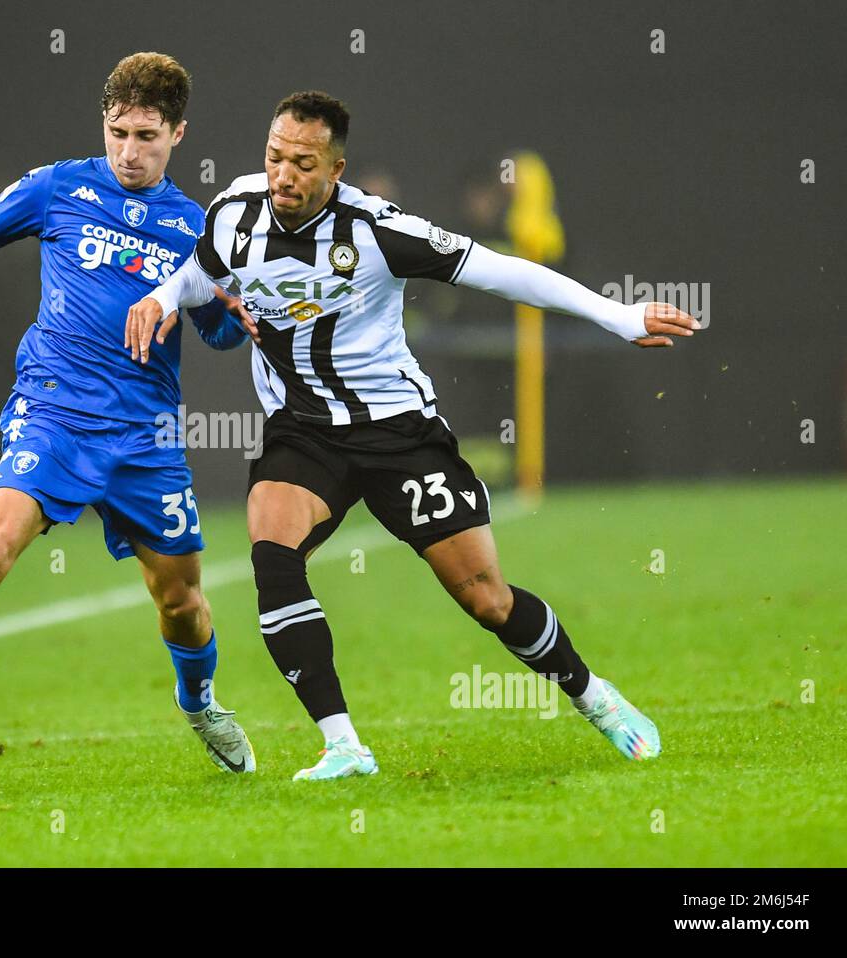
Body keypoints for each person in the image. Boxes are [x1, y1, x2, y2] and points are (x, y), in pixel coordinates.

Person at [128, 90, 700, 780]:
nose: (283, 175)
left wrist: (617, 316)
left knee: (487, 598)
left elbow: (503, 272)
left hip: (398, 432)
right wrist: (164, 294)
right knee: (272, 550)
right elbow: (202, 270)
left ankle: (593, 696)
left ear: (334, 171)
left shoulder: (377, 230)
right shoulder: (234, 213)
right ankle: (344, 746)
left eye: (302, 164)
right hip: (303, 432)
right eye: (275, 157)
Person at [0, 52, 256, 775]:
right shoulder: (59, 186)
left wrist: (233, 312)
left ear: (178, 135)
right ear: (104, 122)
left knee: (181, 597)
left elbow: (217, 332)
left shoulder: (196, 227)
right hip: (54, 412)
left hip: (143, 434)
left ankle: (199, 702)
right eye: (119, 131)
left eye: (147, 136)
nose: (129, 149)